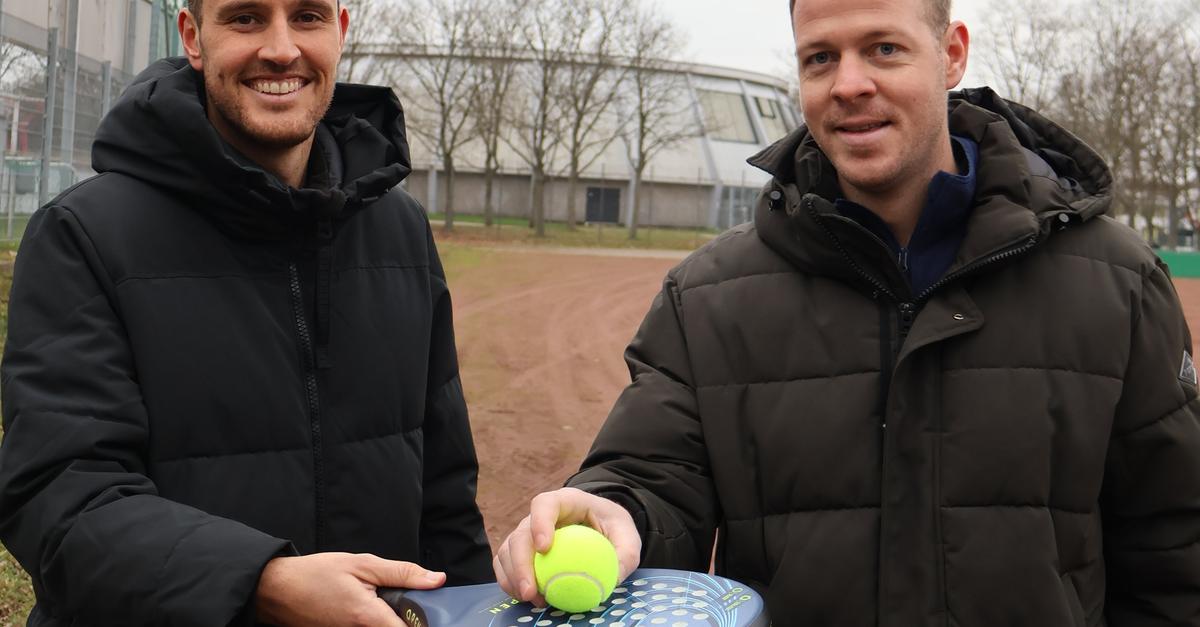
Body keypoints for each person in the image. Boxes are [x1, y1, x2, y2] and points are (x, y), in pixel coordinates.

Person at [494, 0, 1200, 623]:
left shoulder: (1119, 281)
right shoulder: (706, 296)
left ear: (951, 54)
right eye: (820, 57)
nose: (849, 84)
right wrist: (618, 508)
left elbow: (1174, 548)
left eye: (884, 49)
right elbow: (651, 476)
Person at [0, 0, 492, 624]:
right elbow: (59, 497)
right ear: (193, 37)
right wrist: (263, 581)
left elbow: (445, 493)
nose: (282, 48)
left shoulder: (400, 230)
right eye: (246, 18)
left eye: (307, 16)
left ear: (340, 32)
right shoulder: (84, 235)